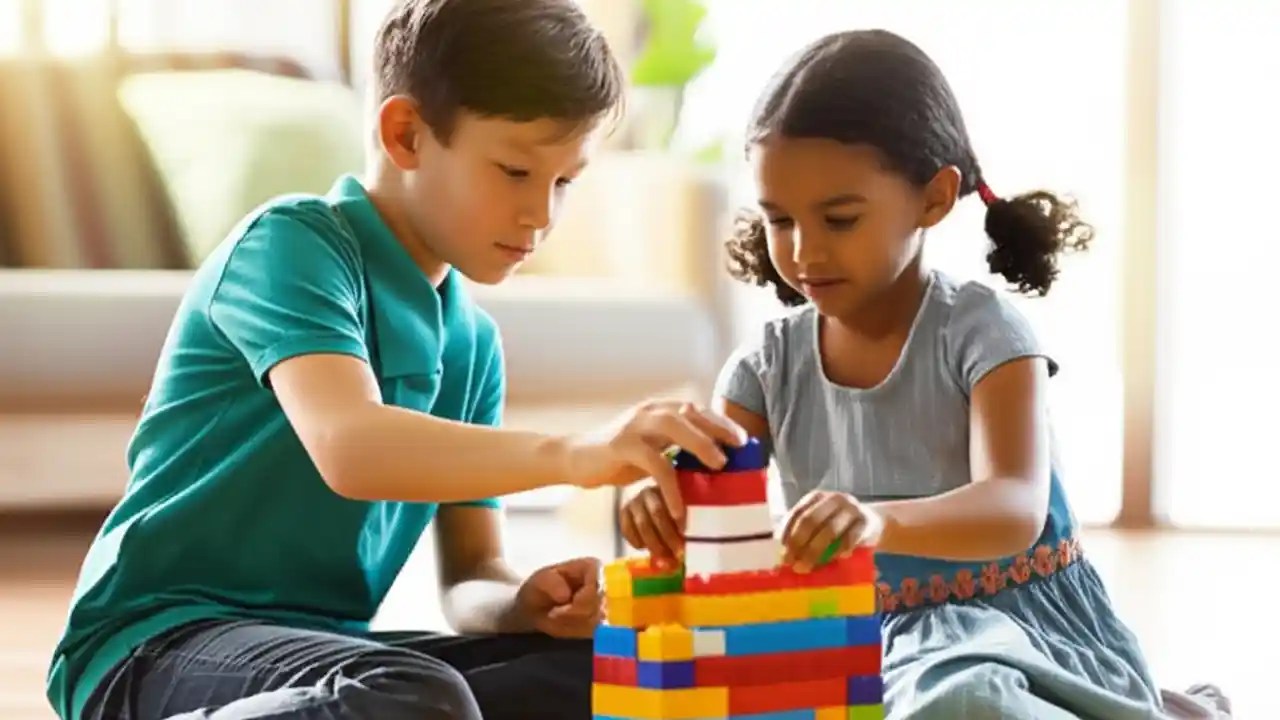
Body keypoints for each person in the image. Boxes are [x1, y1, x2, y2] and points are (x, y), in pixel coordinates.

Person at [46, 1, 747, 719]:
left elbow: (471, 576)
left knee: (611, 671)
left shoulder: (470, 343)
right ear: (406, 133)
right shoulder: (294, 246)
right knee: (409, 693)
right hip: (154, 646)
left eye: (563, 182)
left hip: (320, 656)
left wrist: (519, 602)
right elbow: (352, 447)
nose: (541, 213)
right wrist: (576, 453)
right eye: (513, 170)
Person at [619, 29, 1231, 720]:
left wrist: (874, 521)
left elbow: (1013, 509)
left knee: (963, 702)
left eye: (839, 218)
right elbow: (702, 473)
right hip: (844, 634)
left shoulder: (984, 333)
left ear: (934, 199)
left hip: (1007, 630)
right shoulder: (765, 364)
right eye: (779, 220)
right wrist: (661, 496)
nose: (803, 249)